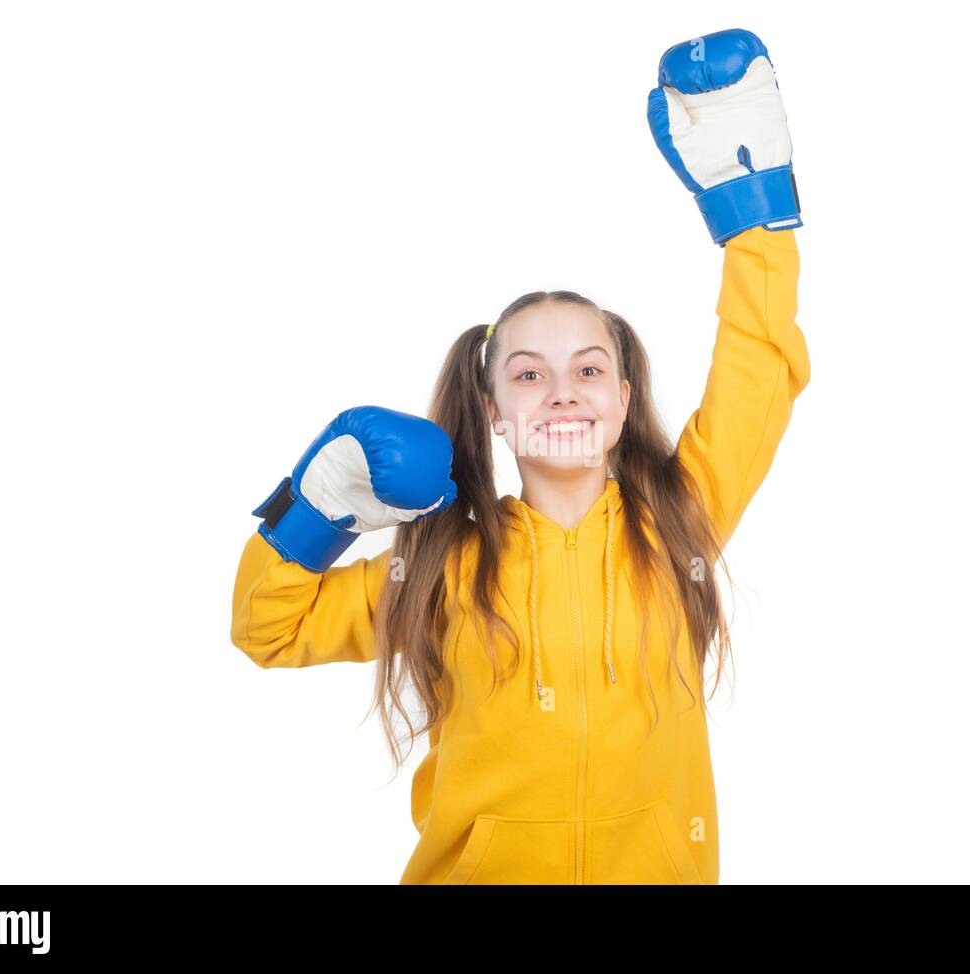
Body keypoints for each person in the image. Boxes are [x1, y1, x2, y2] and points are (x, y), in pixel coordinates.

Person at [230, 27, 811, 884]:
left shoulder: (683, 521)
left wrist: (755, 219)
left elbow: (758, 372)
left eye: (588, 369)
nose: (563, 391)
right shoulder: (441, 567)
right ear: (495, 411)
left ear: (621, 400)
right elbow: (266, 630)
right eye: (530, 374)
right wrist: (319, 508)